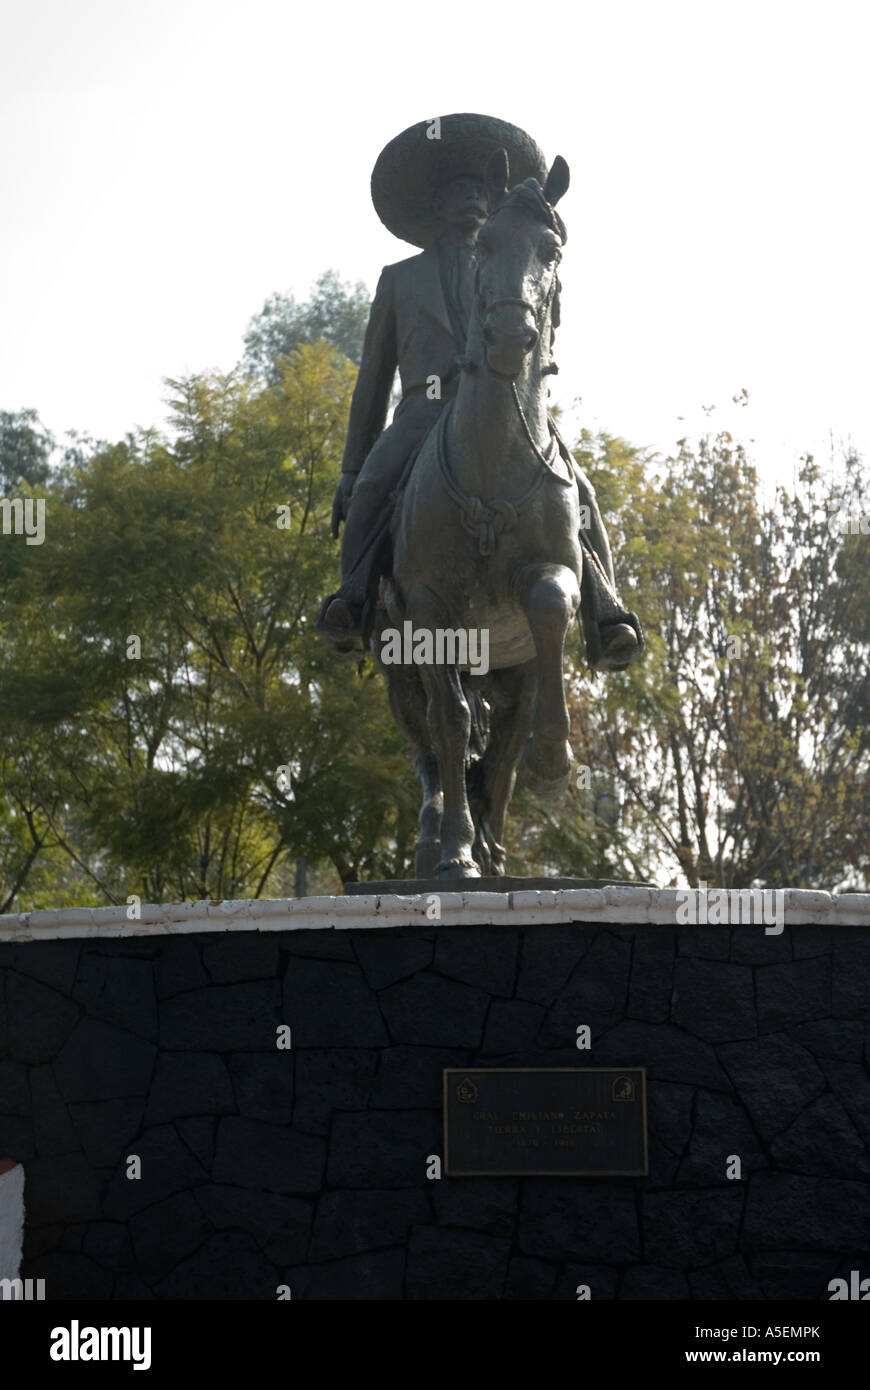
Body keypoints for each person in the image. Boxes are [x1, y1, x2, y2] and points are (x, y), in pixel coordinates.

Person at [318, 113, 642, 672]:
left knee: (580, 491)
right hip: (422, 411)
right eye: (457, 191)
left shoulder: (511, 261)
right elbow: (372, 381)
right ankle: (355, 601)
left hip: (508, 409)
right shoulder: (399, 279)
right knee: (373, 488)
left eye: (478, 190)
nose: (470, 199)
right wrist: (350, 469)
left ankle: (606, 610)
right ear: (436, 207)